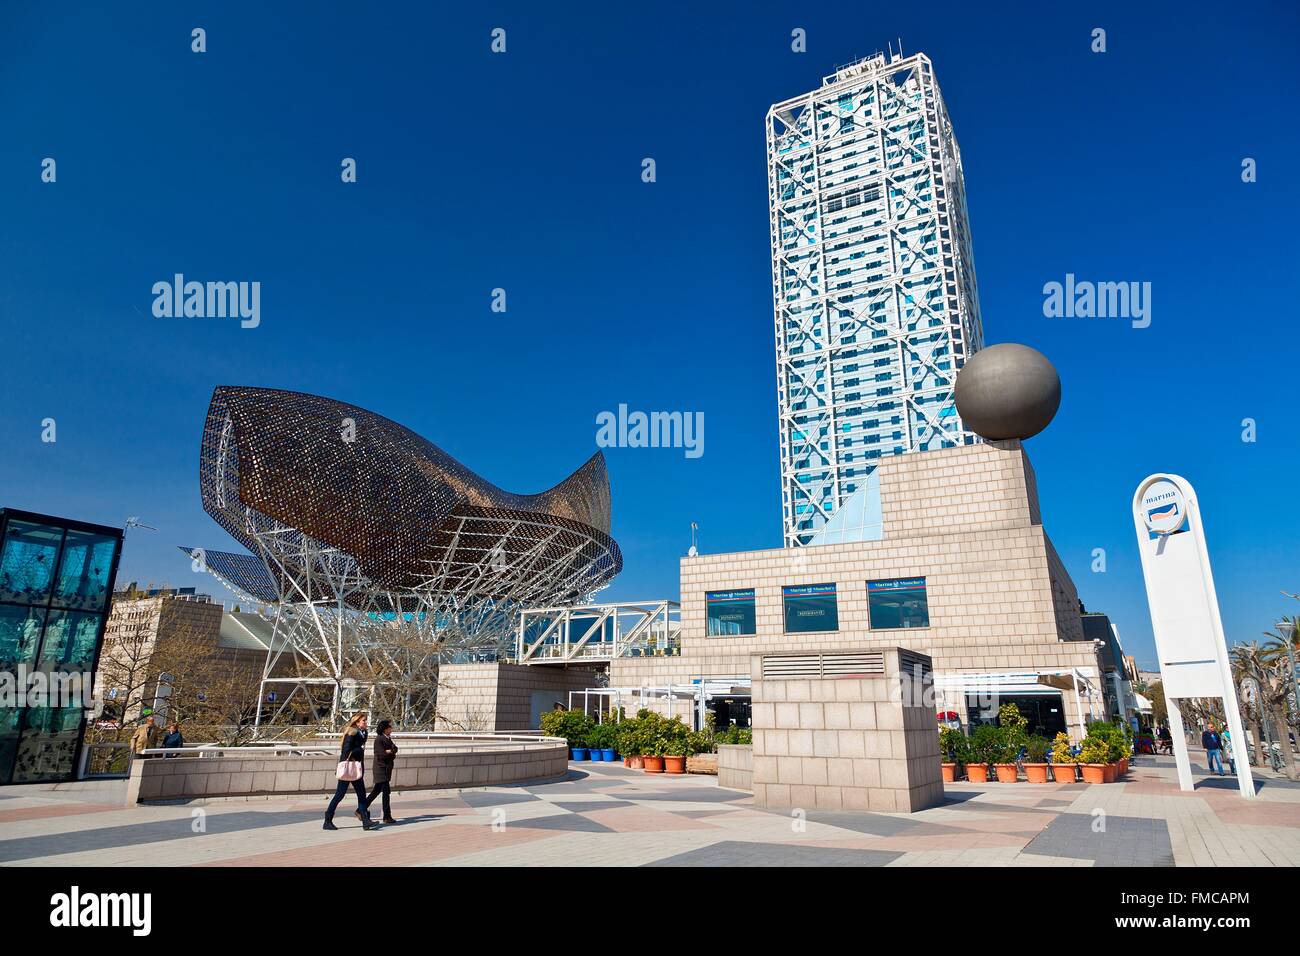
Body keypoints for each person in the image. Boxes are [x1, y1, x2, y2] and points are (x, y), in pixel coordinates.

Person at [323, 713, 373, 831]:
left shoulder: (363, 732)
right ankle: (327, 820)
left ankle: (365, 821)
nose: (366, 722)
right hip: (349, 768)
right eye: (363, 721)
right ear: (357, 722)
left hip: (356, 768)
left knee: (361, 794)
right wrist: (358, 751)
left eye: (365, 720)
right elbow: (345, 750)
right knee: (339, 795)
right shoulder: (352, 732)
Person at [364, 719, 399, 824]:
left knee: (376, 791)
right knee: (386, 792)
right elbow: (381, 754)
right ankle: (386, 816)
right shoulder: (379, 739)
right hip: (380, 768)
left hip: (386, 768)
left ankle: (360, 809)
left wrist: (390, 751)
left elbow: (394, 749)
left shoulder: (388, 738)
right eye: (389, 727)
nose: (391, 728)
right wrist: (390, 751)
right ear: (385, 729)